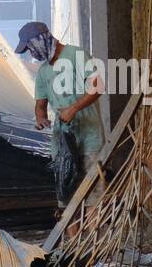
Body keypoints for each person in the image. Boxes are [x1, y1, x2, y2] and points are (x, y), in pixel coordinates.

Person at [14, 21, 106, 207]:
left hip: (89, 139)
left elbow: (98, 87)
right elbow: (40, 105)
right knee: (66, 200)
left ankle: (92, 236)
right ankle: (73, 238)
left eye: (31, 48)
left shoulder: (76, 55)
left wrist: (74, 108)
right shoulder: (43, 72)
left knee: (93, 197)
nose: (32, 54)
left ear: (40, 41)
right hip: (62, 144)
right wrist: (40, 118)